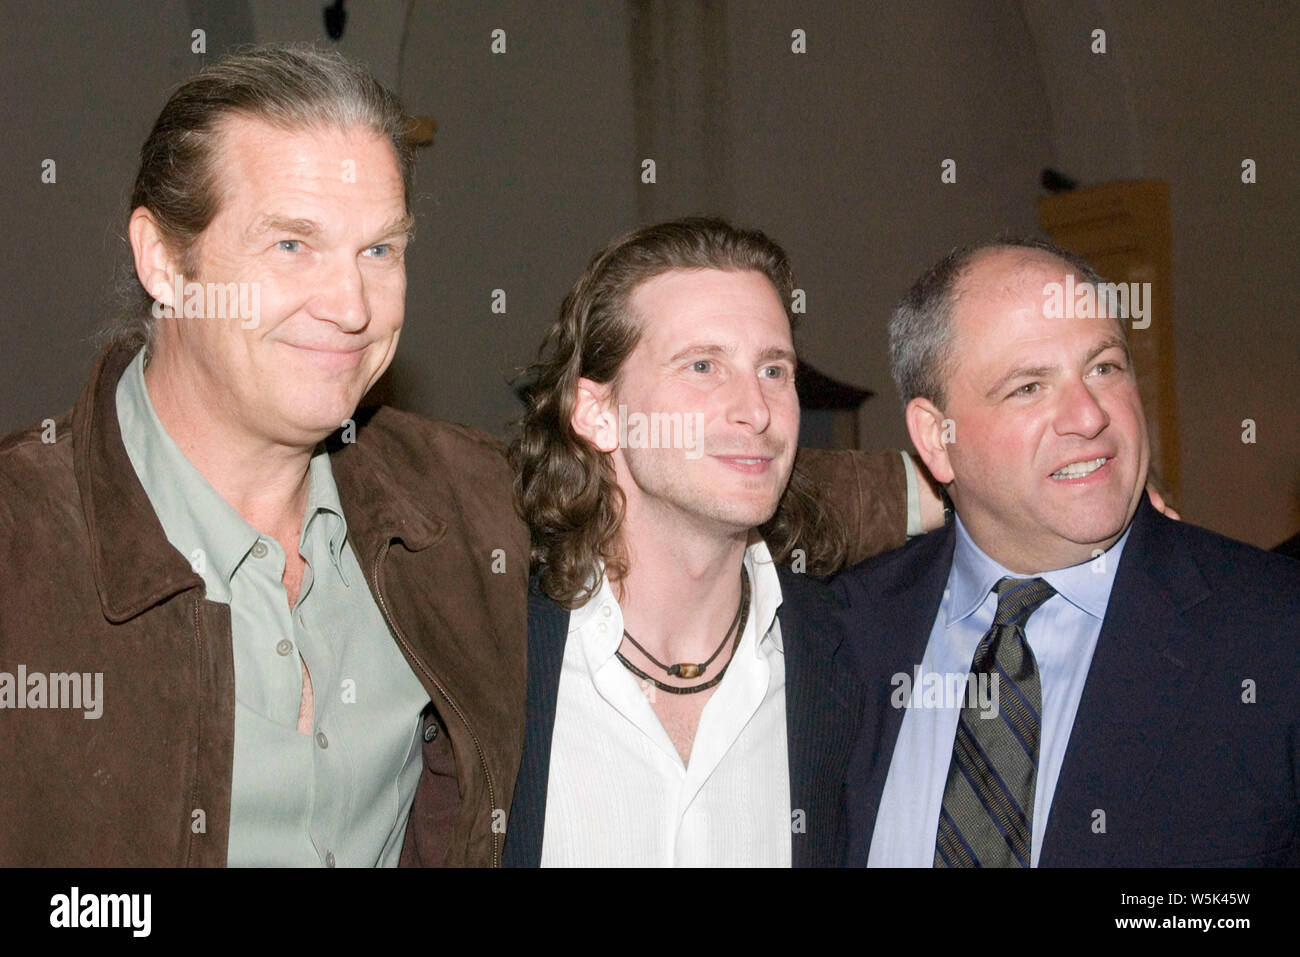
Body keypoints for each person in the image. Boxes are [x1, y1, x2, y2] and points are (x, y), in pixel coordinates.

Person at [0, 46, 921, 866]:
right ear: (163, 259)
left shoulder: (443, 497)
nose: (351, 304)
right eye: (292, 244)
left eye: (380, 250)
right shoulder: (23, 547)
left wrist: (965, 468)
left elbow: (705, 467)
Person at [836, 239, 1300, 867]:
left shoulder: (1274, 632)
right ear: (935, 436)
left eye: (1104, 367)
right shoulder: (840, 638)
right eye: (1029, 386)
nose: (1088, 416)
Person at [504, 218, 888, 866]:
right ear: (599, 413)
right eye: (703, 365)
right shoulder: (500, 658)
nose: (757, 410)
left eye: (774, 369)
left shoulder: (852, 657)